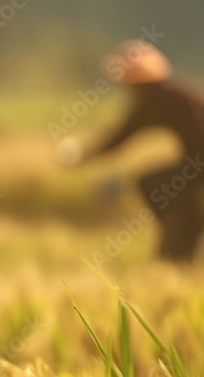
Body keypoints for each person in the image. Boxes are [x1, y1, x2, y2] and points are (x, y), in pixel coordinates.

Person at [58, 40, 204, 261]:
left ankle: (177, 234)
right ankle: (180, 241)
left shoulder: (153, 101)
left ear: (138, 83)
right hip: (195, 163)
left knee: (152, 184)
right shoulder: (176, 94)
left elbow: (118, 139)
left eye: (128, 83)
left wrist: (80, 155)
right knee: (181, 199)